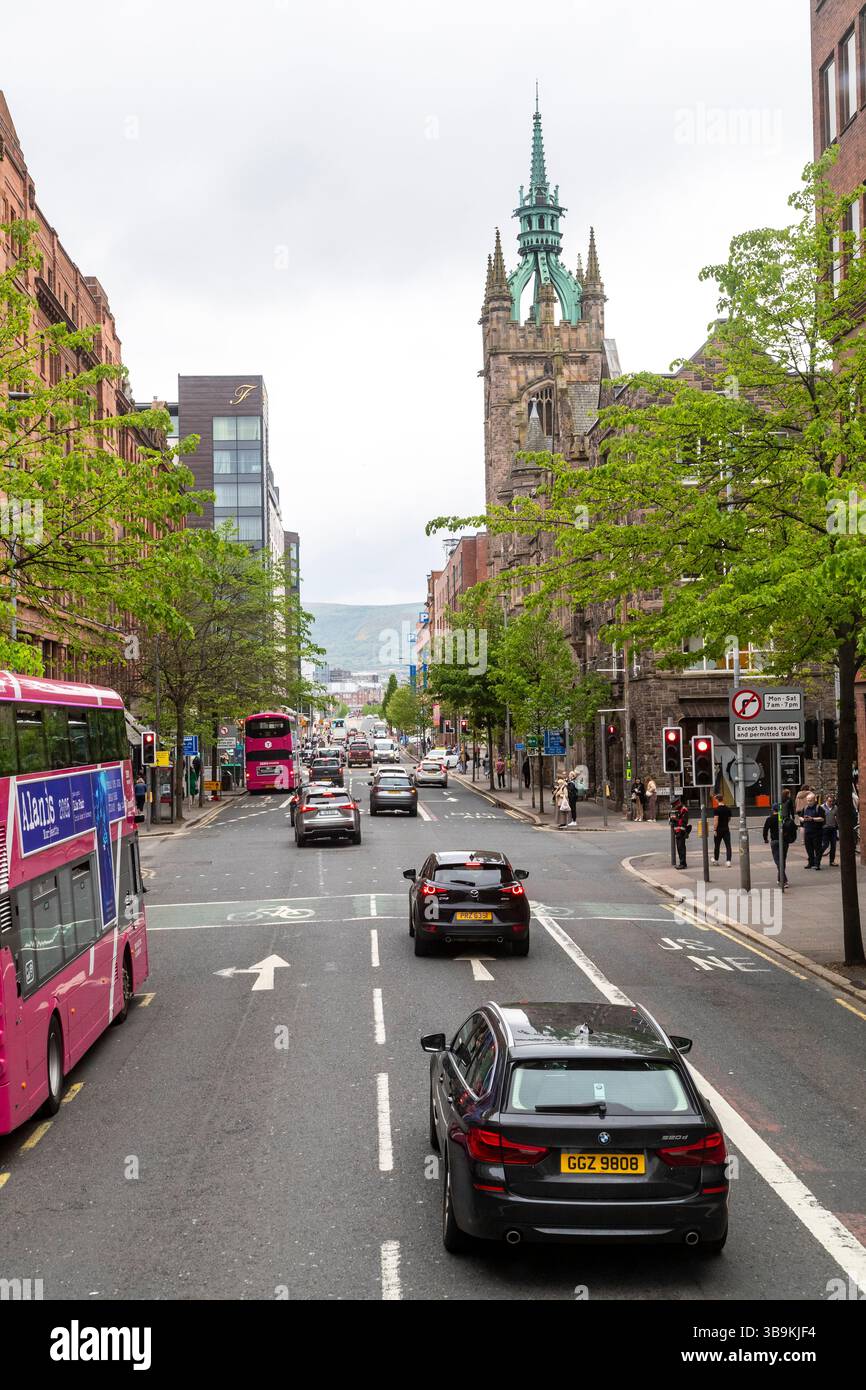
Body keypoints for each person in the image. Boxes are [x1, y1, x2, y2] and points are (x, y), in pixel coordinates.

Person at [763, 796, 796, 886]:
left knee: (778, 861)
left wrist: (765, 839)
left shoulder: (769, 819)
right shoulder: (783, 818)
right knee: (783, 860)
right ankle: (780, 879)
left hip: (774, 841)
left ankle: (784, 880)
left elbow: (765, 830)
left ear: (773, 809)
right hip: (784, 841)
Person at [801, 792, 825, 870]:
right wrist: (803, 819)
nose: (809, 802)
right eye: (807, 800)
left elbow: (822, 819)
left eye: (810, 800)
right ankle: (810, 863)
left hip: (817, 832)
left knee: (817, 849)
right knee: (809, 849)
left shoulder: (819, 808)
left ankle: (817, 864)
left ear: (814, 800)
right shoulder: (805, 808)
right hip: (807, 831)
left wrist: (812, 819)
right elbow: (800, 818)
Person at [669, 796, 690, 868]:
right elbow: (672, 821)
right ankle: (682, 863)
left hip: (681, 832)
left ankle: (683, 864)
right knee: (679, 848)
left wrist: (681, 831)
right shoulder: (676, 810)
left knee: (681, 848)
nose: (673, 807)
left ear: (677, 803)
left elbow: (684, 822)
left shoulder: (683, 809)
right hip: (677, 831)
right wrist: (672, 819)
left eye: (674, 805)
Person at [712, 794, 732, 867]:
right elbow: (729, 819)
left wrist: (714, 829)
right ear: (722, 799)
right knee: (728, 846)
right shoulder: (728, 809)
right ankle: (728, 861)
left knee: (717, 845)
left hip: (718, 830)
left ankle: (716, 860)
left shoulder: (716, 809)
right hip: (726, 829)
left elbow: (716, 820)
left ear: (717, 800)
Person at [821, 794, 838, 866]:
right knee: (825, 844)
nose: (831, 803)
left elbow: (837, 816)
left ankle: (832, 861)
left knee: (833, 845)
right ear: (826, 801)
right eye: (829, 801)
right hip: (825, 828)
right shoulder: (821, 807)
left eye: (832, 801)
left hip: (833, 828)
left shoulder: (835, 808)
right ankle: (817, 857)